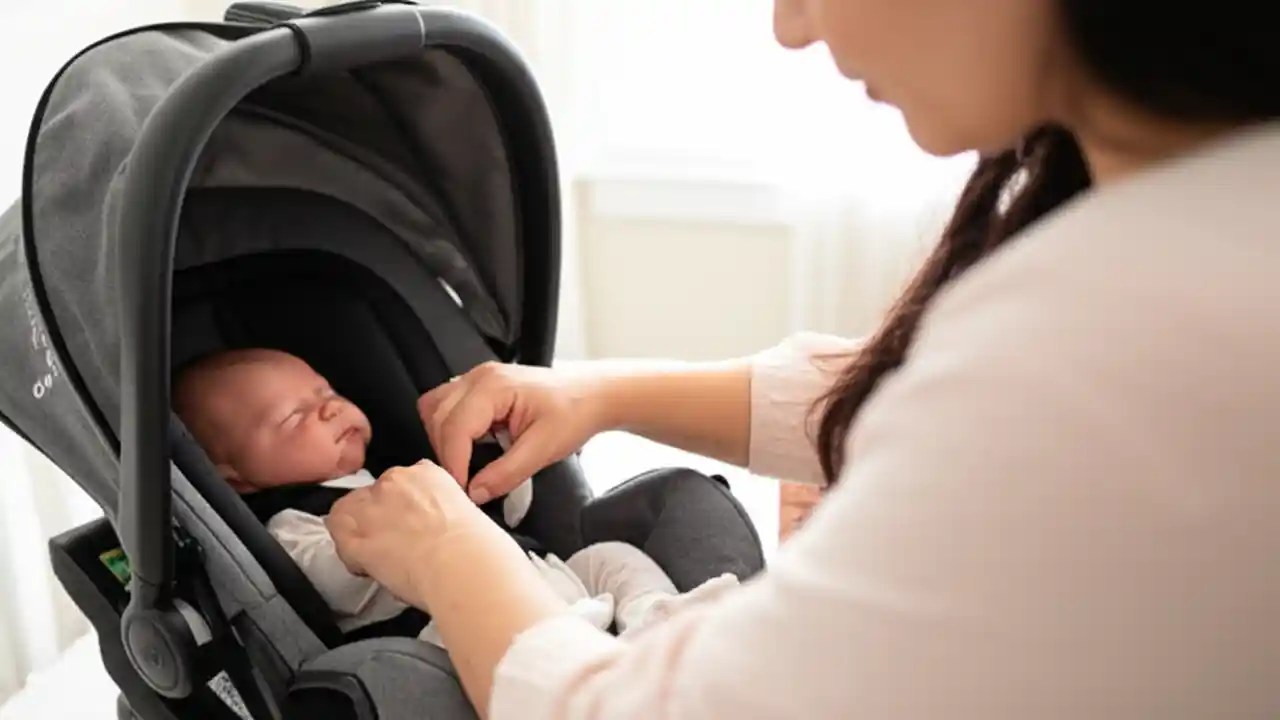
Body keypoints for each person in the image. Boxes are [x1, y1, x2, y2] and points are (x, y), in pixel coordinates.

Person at [327, 1, 1280, 717]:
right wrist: (603, 390)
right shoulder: (1199, 228)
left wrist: (451, 553)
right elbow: (898, 390)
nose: (791, 27)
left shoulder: (1101, 345)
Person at [173, 348, 722, 646]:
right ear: (233, 475)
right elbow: (322, 581)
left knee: (610, 560)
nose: (330, 409)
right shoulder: (291, 524)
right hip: (461, 629)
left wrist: (502, 472)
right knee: (441, 651)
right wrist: (356, 548)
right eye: (294, 416)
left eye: (328, 393)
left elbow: (492, 510)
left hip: (547, 580)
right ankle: (586, 655)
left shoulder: (398, 473)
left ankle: (657, 619)